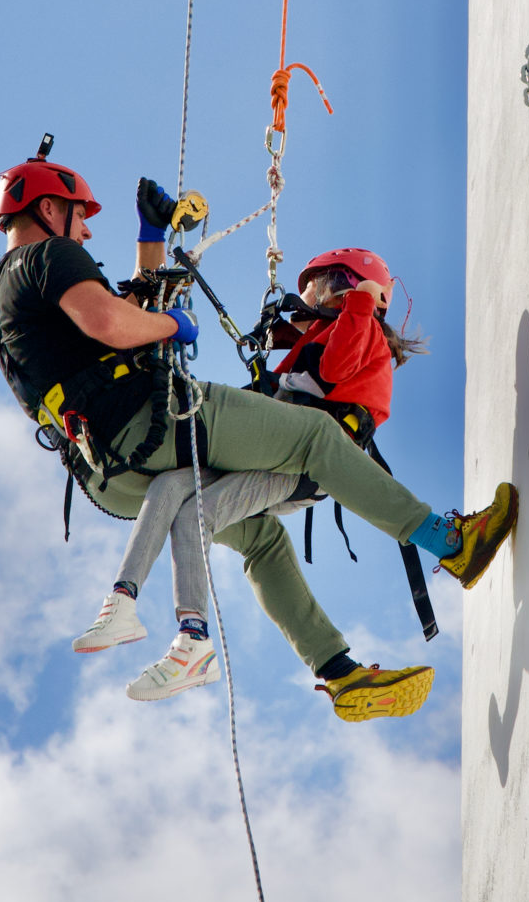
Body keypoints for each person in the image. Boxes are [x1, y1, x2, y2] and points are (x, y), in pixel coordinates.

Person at [0, 148, 518, 722]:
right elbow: (119, 323)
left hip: (106, 471)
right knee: (315, 435)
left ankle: (337, 673)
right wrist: (175, 324)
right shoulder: (52, 255)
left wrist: (151, 237)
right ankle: (448, 541)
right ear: (47, 208)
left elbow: (130, 308)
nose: (87, 229)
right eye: (79, 214)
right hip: (148, 422)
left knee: (260, 539)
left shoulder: (7, 298)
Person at [73, 241, 432, 704]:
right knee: (169, 485)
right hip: (276, 453)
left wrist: (362, 300)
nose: (310, 298)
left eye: (321, 286)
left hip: (302, 461)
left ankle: (192, 640)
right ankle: (123, 599)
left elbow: (337, 366)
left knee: (195, 514)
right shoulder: (315, 341)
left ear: (346, 288)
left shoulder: (363, 333)